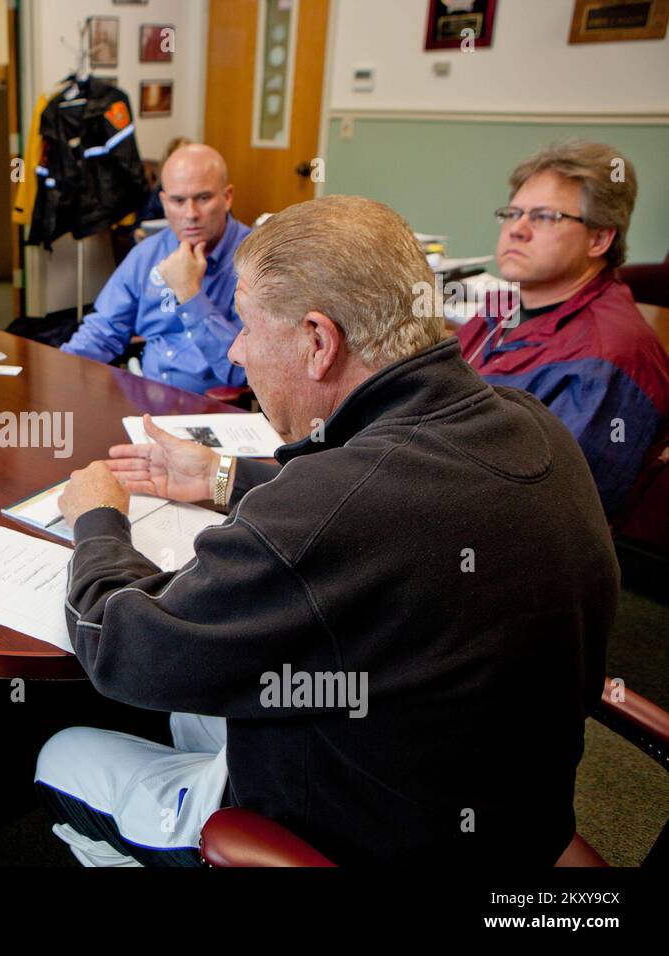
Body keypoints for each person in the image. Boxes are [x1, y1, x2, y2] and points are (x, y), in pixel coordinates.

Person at [35, 195, 616, 866]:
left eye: (246, 325)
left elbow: (121, 645)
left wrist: (98, 519)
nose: (236, 350)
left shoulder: (331, 506)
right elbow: (372, 504)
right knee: (190, 711)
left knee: (62, 755)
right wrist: (220, 477)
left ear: (318, 341)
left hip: (356, 836)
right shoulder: (531, 424)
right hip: (501, 807)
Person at [457, 141, 669, 517]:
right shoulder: (504, 305)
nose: (517, 230)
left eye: (545, 217)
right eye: (513, 213)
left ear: (600, 238)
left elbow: (548, 510)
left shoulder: (606, 359)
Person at [60, 144, 253, 394]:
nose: (190, 214)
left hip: (214, 406)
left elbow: (243, 370)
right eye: (178, 201)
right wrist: (57, 368)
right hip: (145, 397)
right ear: (163, 202)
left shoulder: (257, 262)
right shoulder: (147, 253)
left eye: (203, 198)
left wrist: (190, 295)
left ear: (227, 198)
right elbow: (103, 330)